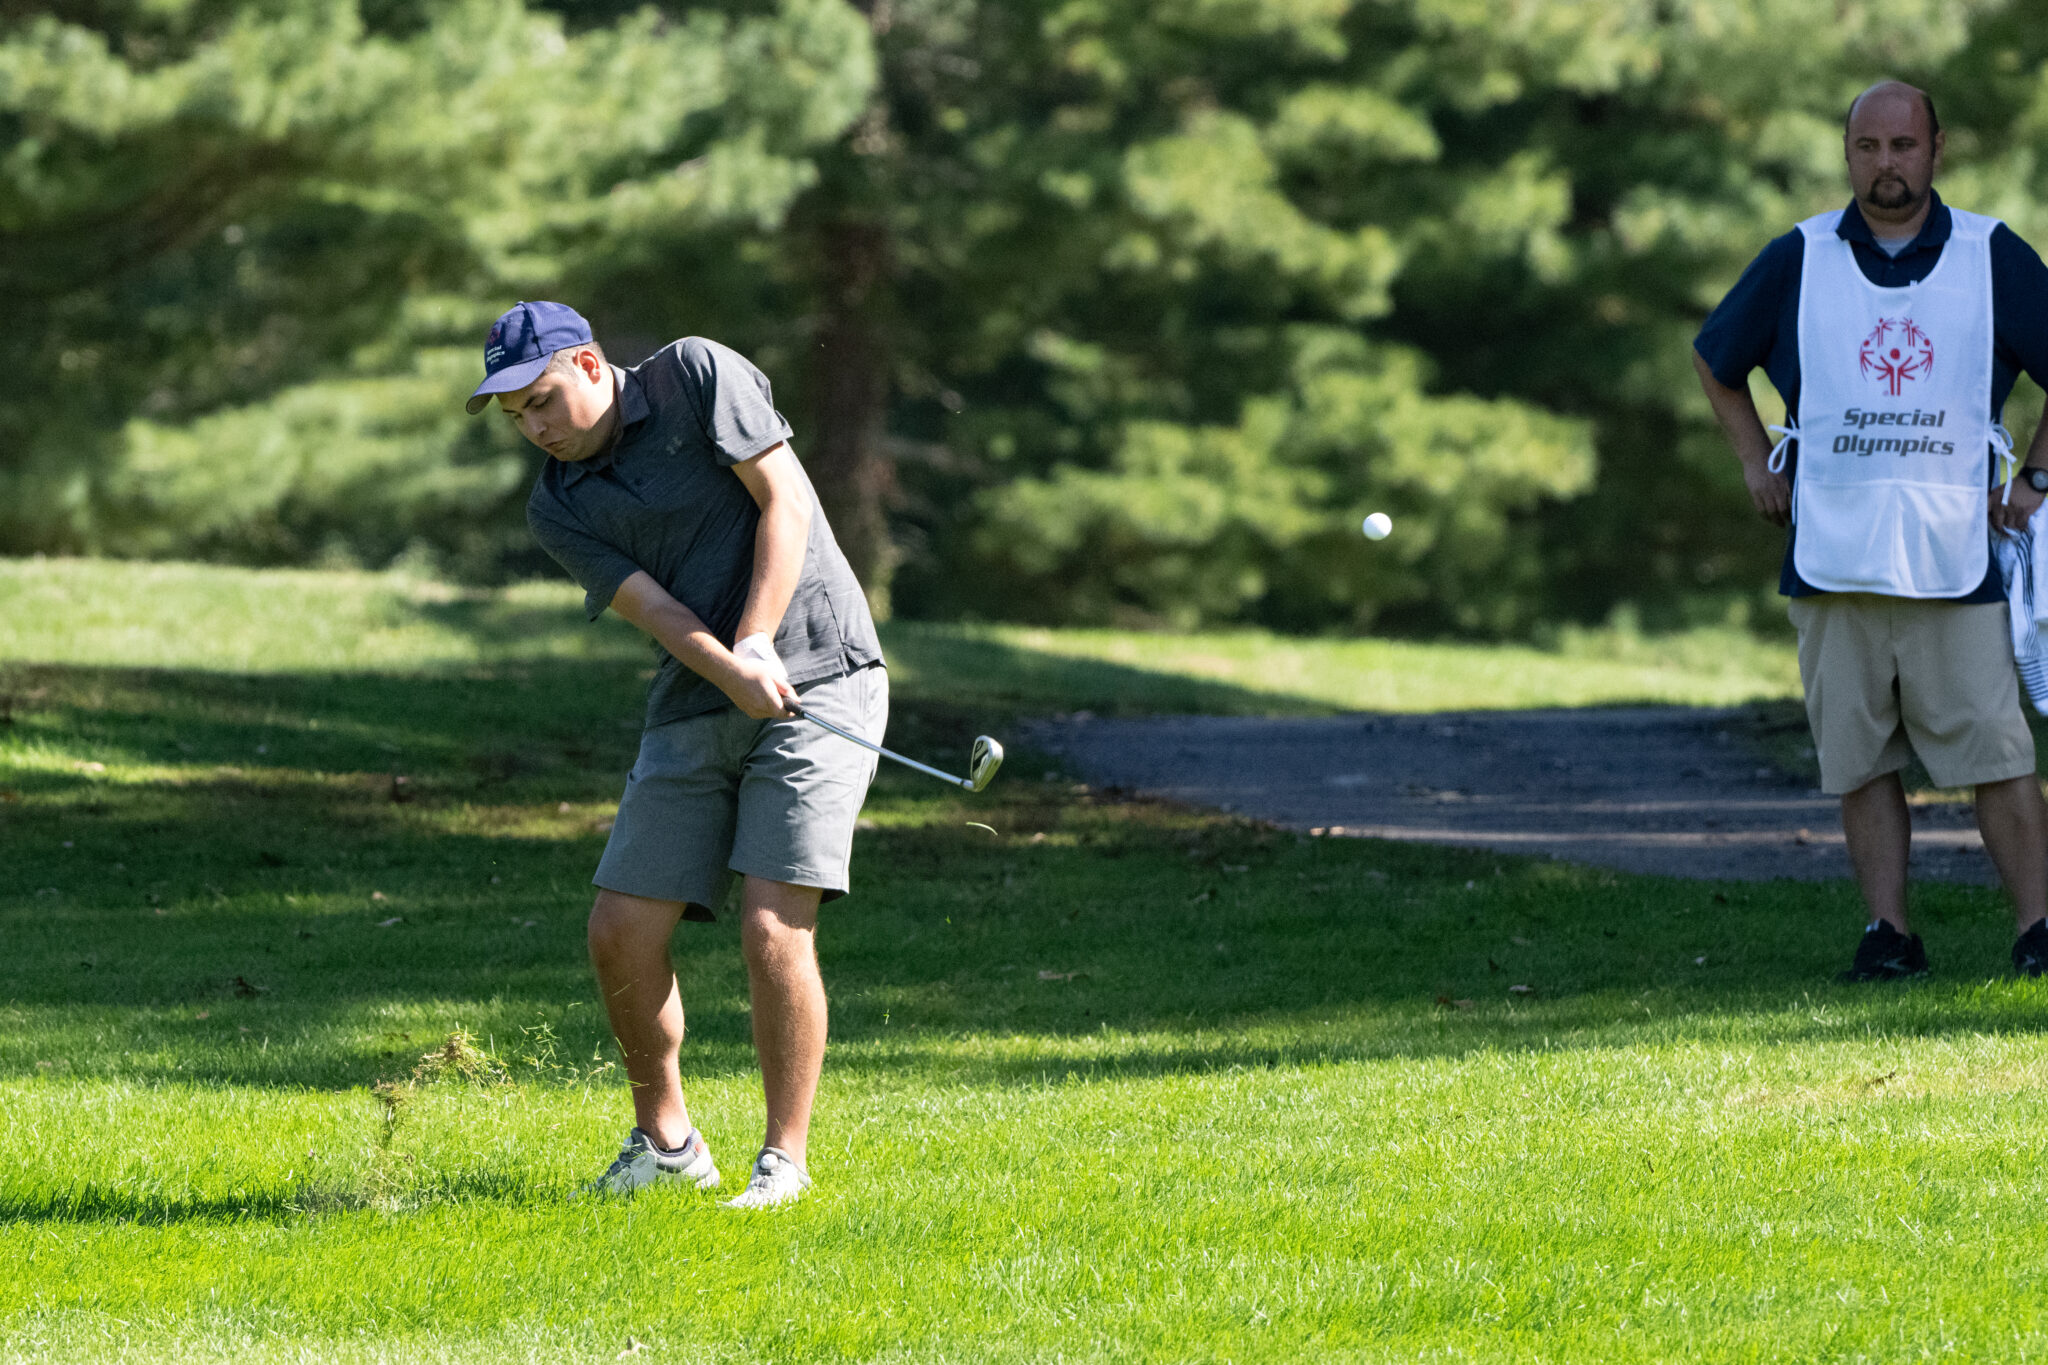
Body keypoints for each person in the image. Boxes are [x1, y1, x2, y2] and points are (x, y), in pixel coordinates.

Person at [465, 300, 887, 1205]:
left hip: (821, 670)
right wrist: (729, 668)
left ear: (586, 364)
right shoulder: (559, 504)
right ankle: (666, 1143)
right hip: (701, 689)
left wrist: (761, 641)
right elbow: (656, 611)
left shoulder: (696, 373)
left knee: (773, 923)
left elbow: (787, 499)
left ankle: (784, 1162)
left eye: (541, 400)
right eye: (517, 417)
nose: (535, 428)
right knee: (619, 929)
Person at [1694, 81, 2048, 980]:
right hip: (1833, 556)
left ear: (1936, 148)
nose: (1885, 164)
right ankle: (1888, 934)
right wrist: (1753, 460)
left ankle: (2038, 930)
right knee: (1858, 760)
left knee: (1997, 754)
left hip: (1953, 558)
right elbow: (1716, 358)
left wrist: (2037, 478)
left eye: (1903, 145)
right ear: (1847, 152)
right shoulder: (1801, 256)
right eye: (1868, 147)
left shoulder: (1988, 253)